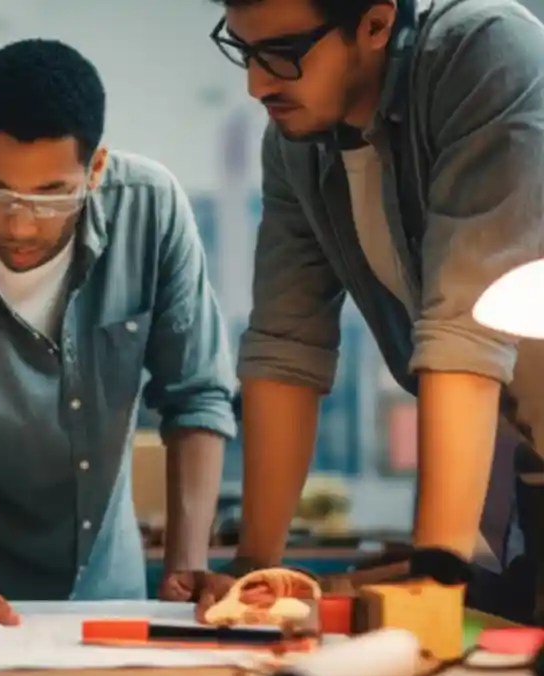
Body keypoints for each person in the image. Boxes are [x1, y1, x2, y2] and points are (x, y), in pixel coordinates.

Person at [0, 39, 239, 629]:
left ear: (96, 169)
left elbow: (196, 395)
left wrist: (186, 568)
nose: (19, 224)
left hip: (113, 594)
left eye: (51, 195)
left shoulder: (150, 211)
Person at [199, 0, 544, 622]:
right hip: (524, 465)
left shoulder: (485, 55)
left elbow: (463, 327)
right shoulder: (296, 144)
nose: (256, 84)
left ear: (376, 23)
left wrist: (434, 578)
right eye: (245, 51)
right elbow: (286, 344)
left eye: (282, 54)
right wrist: (253, 571)